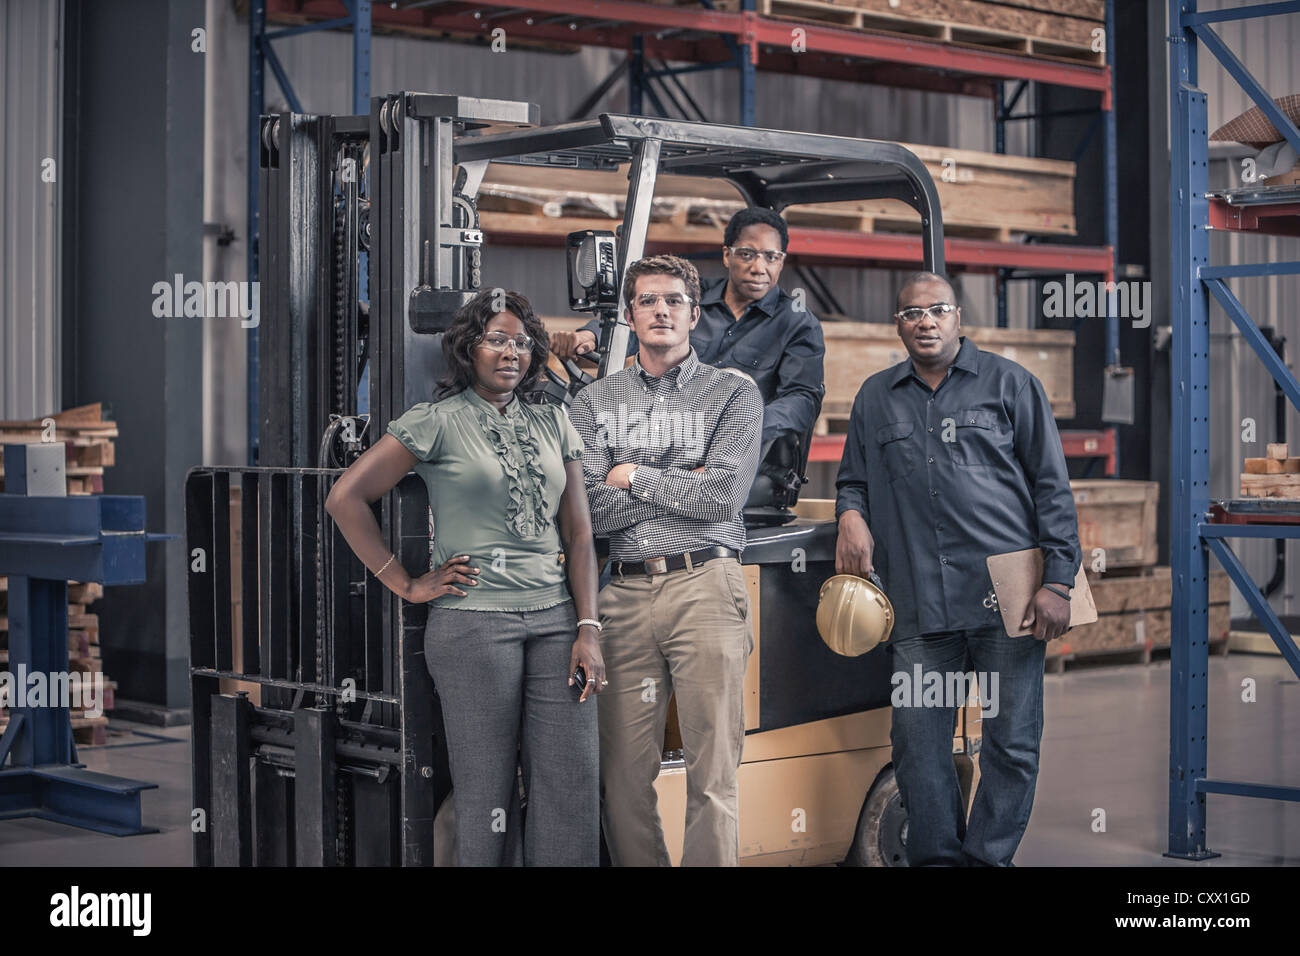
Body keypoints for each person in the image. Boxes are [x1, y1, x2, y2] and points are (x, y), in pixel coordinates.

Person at [324, 289, 606, 867]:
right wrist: (405, 582)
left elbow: (579, 534)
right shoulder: (436, 421)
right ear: (467, 348)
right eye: (495, 340)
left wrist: (588, 626)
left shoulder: (554, 419)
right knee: (486, 791)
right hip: (474, 626)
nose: (511, 353)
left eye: (521, 343)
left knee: (572, 782)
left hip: (557, 621)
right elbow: (345, 497)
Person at [834, 271, 1080, 867]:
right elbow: (853, 479)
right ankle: (938, 859)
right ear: (899, 324)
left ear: (957, 318)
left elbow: (1052, 485)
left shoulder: (1010, 385)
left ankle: (986, 859)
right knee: (917, 745)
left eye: (937, 310)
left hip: (1009, 599)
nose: (925, 321)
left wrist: (1059, 580)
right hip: (918, 601)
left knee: (1011, 744)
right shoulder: (875, 396)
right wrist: (849, 514)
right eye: (912, 313)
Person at [568, 254, 763, 866]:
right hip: (622, 597)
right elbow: (589, 514)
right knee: (623, 776)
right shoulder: (592, 401)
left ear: (693, 313)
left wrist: (629, 476)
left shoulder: (733, 392)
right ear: (629, 314)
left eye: (673, 301)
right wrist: (679, 478)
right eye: (648, 300)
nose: (661, 310)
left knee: (713, 774)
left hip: (706, 581)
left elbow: (722, 497)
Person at [553, 207, 824, 446]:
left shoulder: (796, 322)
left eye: (770, 257)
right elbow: (636, 326)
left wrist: (741, 426)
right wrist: (589, 335)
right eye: (747, 254)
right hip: (665, 431)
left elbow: (801, 400)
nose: (758, 267)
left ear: (782, 261)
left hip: (739, 450)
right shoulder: (690, 297)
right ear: (727, 256)